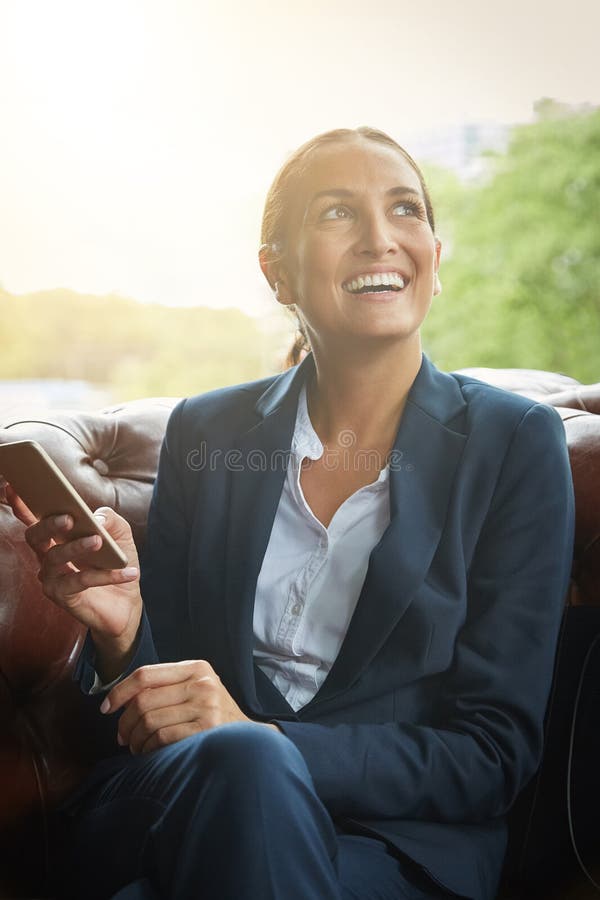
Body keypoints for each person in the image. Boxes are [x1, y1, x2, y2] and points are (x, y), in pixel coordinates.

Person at [9, 127, 574, 900]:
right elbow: (156, 716)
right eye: (337, 212)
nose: (380, 237)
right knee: (239, 771)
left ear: (435, 258)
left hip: (390, 847)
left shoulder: (515, 444)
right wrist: (121, 631)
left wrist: (264, 738)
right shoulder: (206, 432)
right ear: (277, 273)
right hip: (183, 802)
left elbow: (492, 756)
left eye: (405, 209)